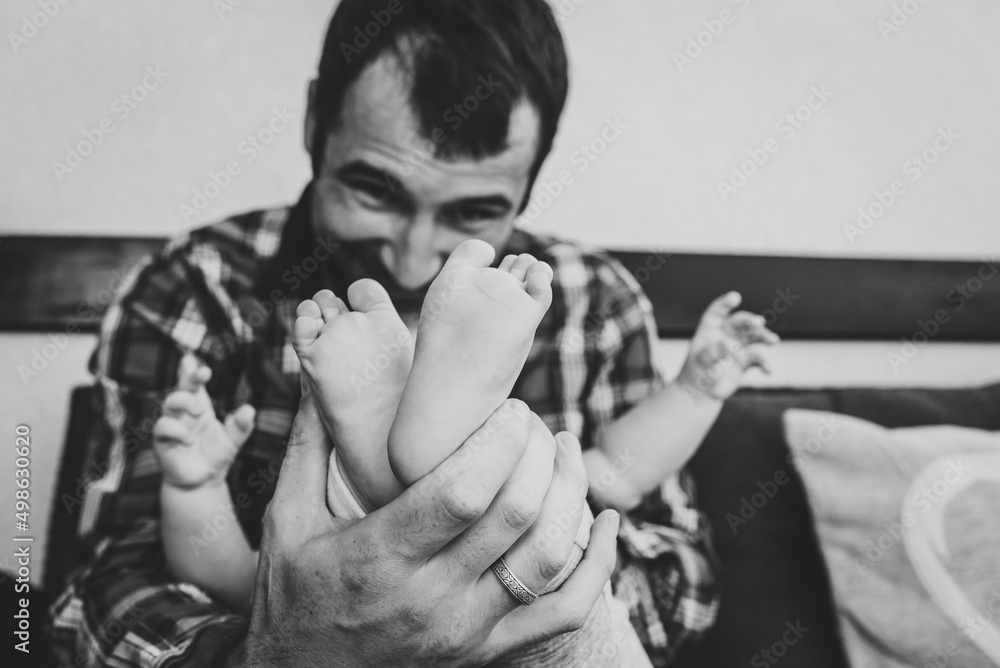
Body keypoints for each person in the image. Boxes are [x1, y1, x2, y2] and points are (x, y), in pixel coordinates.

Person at [50, 0, 774, 664]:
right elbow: (102, 588)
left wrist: (516, 605)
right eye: (376, 191)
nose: (415, 257)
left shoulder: (596, 303)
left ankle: (413, 461)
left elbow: (680, 568)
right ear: (314, 124)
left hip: (551, 626)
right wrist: (286, 646)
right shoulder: (198, 286)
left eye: (472, 214)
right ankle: (396, 468)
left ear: (531, 179)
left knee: (582, 495)